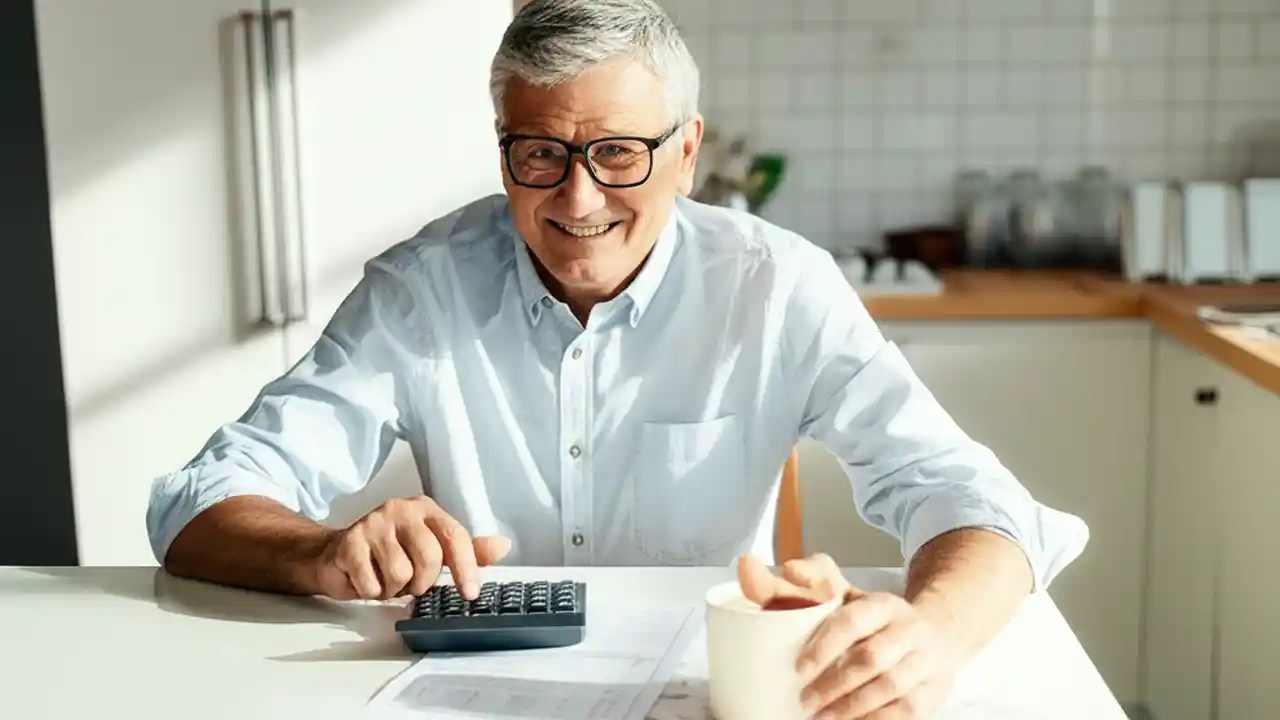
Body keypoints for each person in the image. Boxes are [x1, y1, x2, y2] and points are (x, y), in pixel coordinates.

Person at [146, 0, 1088, 716]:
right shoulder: (420, 288)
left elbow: (974, 499)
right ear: (504, 151)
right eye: (540, 155)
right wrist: (326, 551)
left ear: (686, 154)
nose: (578, 197)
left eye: (618, 154)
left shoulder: (777, 286)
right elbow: (196, 503)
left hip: (705, 696)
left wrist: (931, 633)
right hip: (478, 698)